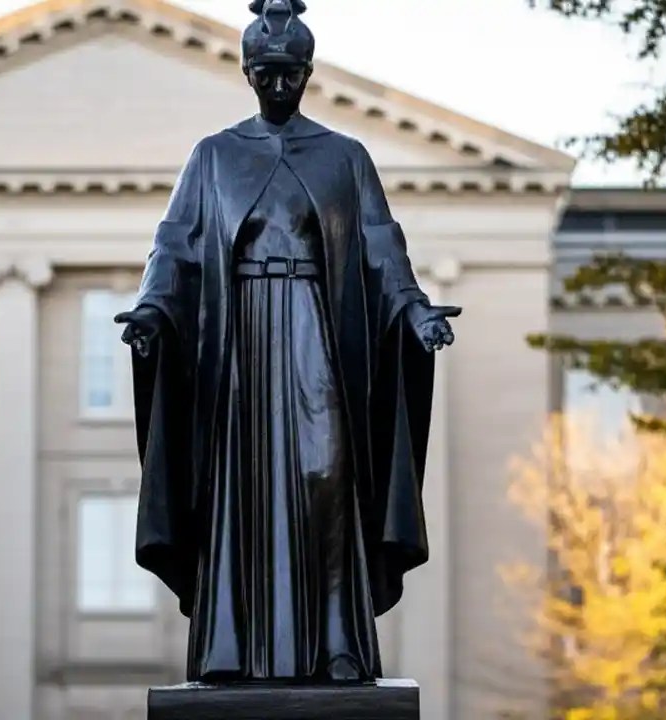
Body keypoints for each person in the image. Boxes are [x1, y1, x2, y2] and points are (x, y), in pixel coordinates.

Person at [114, 0, 458, 683]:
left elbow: (382, 250)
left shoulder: (343, 157)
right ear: (247, 72)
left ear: (307, 73)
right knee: (236, 486)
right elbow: (174, 248)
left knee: (327, 478)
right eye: (265, 72)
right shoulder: (213, 156)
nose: (278, 85)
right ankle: (229, 647)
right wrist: (153, 311)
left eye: (289, 73)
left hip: (314, 334)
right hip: (239, 344)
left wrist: (414, 313)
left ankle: (338, 641)